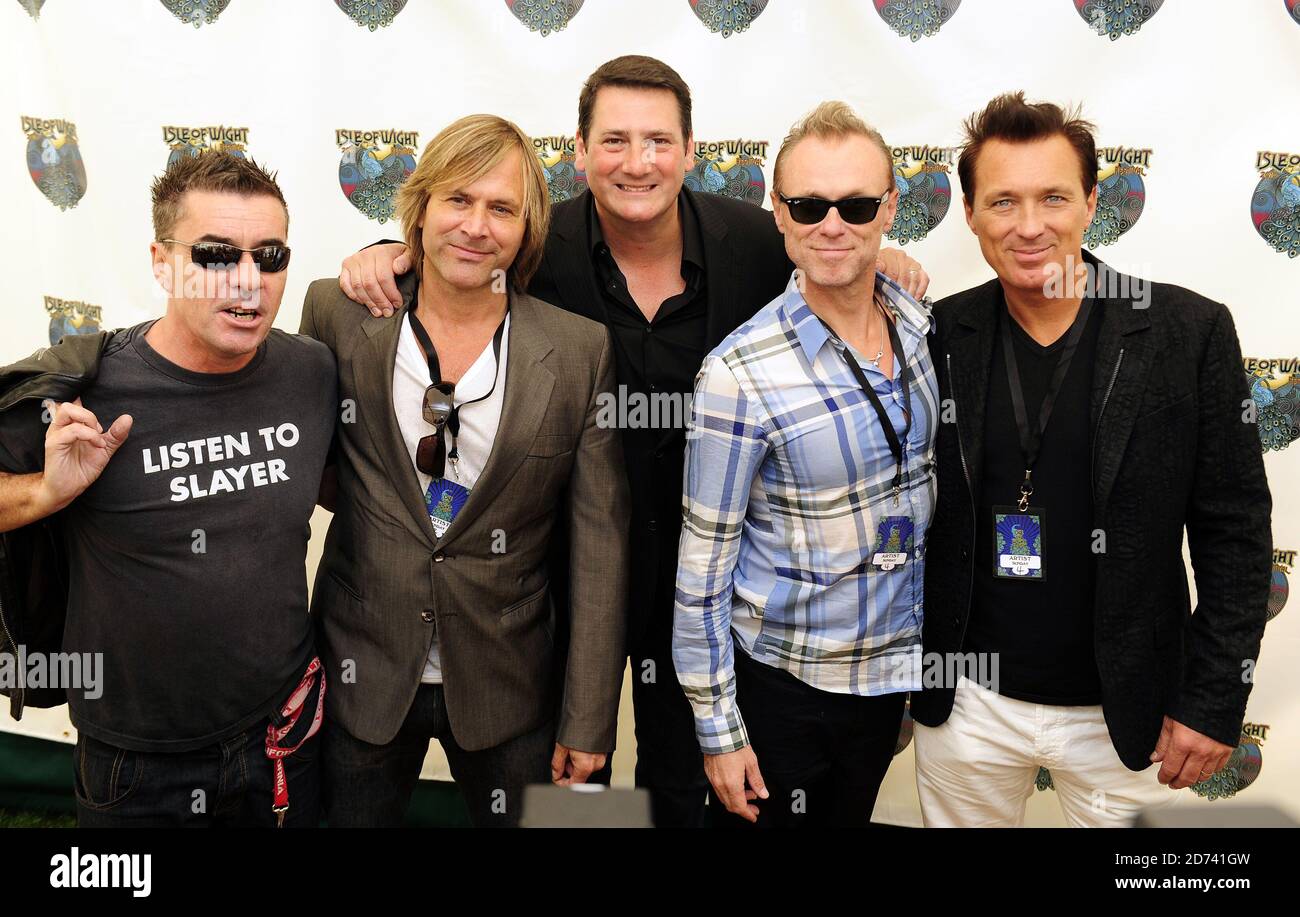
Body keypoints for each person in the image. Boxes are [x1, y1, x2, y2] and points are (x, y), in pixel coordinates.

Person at [334, 56, 929, 827]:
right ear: (577, 152)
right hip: (550, 586)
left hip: (705, 585)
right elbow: (459, 248)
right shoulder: (534, 242)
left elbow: (835, 249)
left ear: (691, 150)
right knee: (564, 790)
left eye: (658, 141)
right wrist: (388, 250)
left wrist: (889, 261)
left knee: (680, 791)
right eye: (614, 140)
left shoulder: (755, 239)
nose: (637, 162)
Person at [911, 92, 1273, 827]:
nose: (1030, 224)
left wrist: (1211, 698)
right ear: (971, 214)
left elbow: (1235, 532)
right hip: (966, 707)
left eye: (1054, 197)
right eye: (1003, 201)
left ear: (1092, 203)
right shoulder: (936, 330)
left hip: (1130, 714)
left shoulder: (1185, 331)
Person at [299, 113, 629, 828]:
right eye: (457, 200)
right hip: (362, 666)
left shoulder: (579, 351)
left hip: (513, 681)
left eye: (501, 208)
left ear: (527, 229)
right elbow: (308, 473)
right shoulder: (337, 311)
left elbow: (600, 548)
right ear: (418, 209)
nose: (476, 226)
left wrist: (590, 719)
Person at [0, 150, 334, 827]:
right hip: (137, 762)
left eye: (270, 255)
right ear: (161, 262)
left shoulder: (313, 371)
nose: (249, 281)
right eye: (216, 255)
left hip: (282, 734)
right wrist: (44, 492)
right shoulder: (90, 386)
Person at [673, 101, 938, 827]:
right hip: (783, 693)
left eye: (855, 205)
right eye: (809, 204)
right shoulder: (738, 372)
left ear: (889, 208)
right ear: (778, 212)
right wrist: (720, 731)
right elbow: (701, 570)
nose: (832, 224)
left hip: (889, 685)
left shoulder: (920, 327)